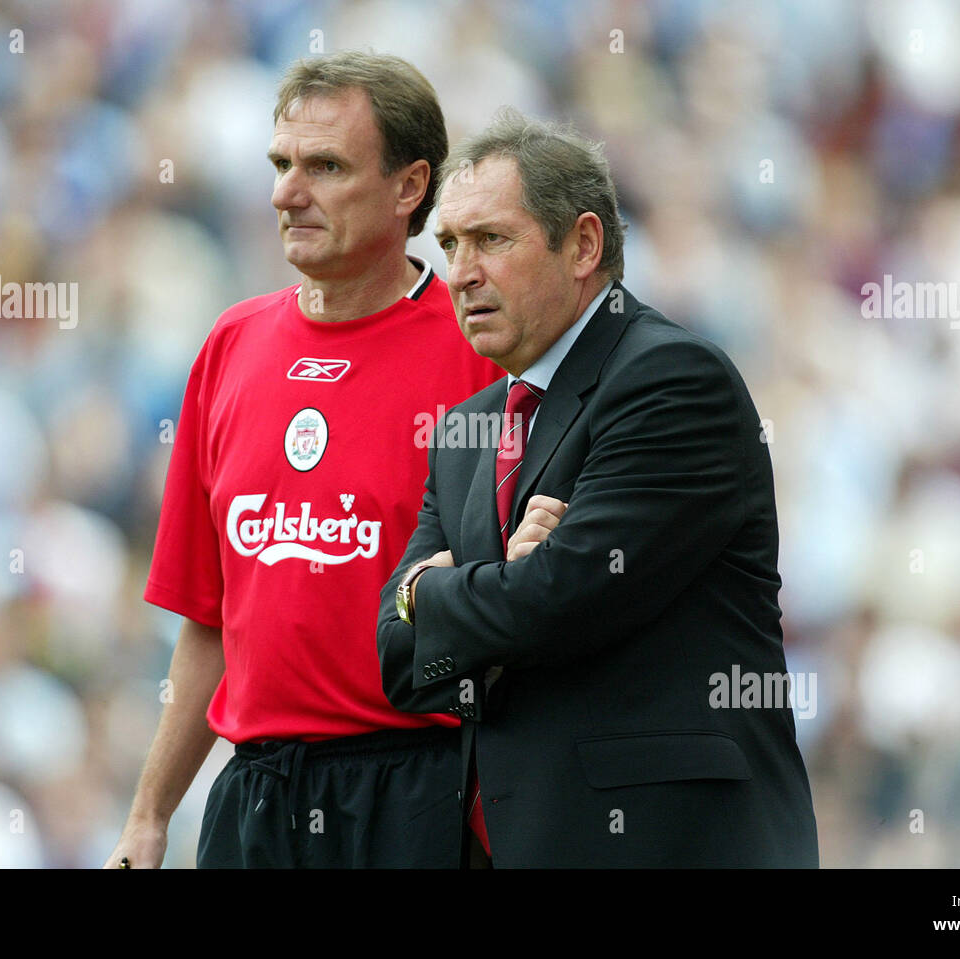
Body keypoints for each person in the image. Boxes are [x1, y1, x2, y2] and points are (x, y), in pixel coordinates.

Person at [376, 109, 819, 867]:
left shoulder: (672, 380)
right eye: (449, 244)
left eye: (491, 239)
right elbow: (398, 663)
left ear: (583, 244)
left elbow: (557, 600)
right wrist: (493, 588)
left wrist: (430, 593)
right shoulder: (463, 432)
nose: (460, 272)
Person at [105, 52, 500, 869]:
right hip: (254, 796)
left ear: (409, 186)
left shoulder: (481, 354)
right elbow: (207, 619)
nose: (288, 192)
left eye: (325, 166)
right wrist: (148, 816)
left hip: (417, 791)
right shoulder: (230, 347)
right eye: (281, 164)